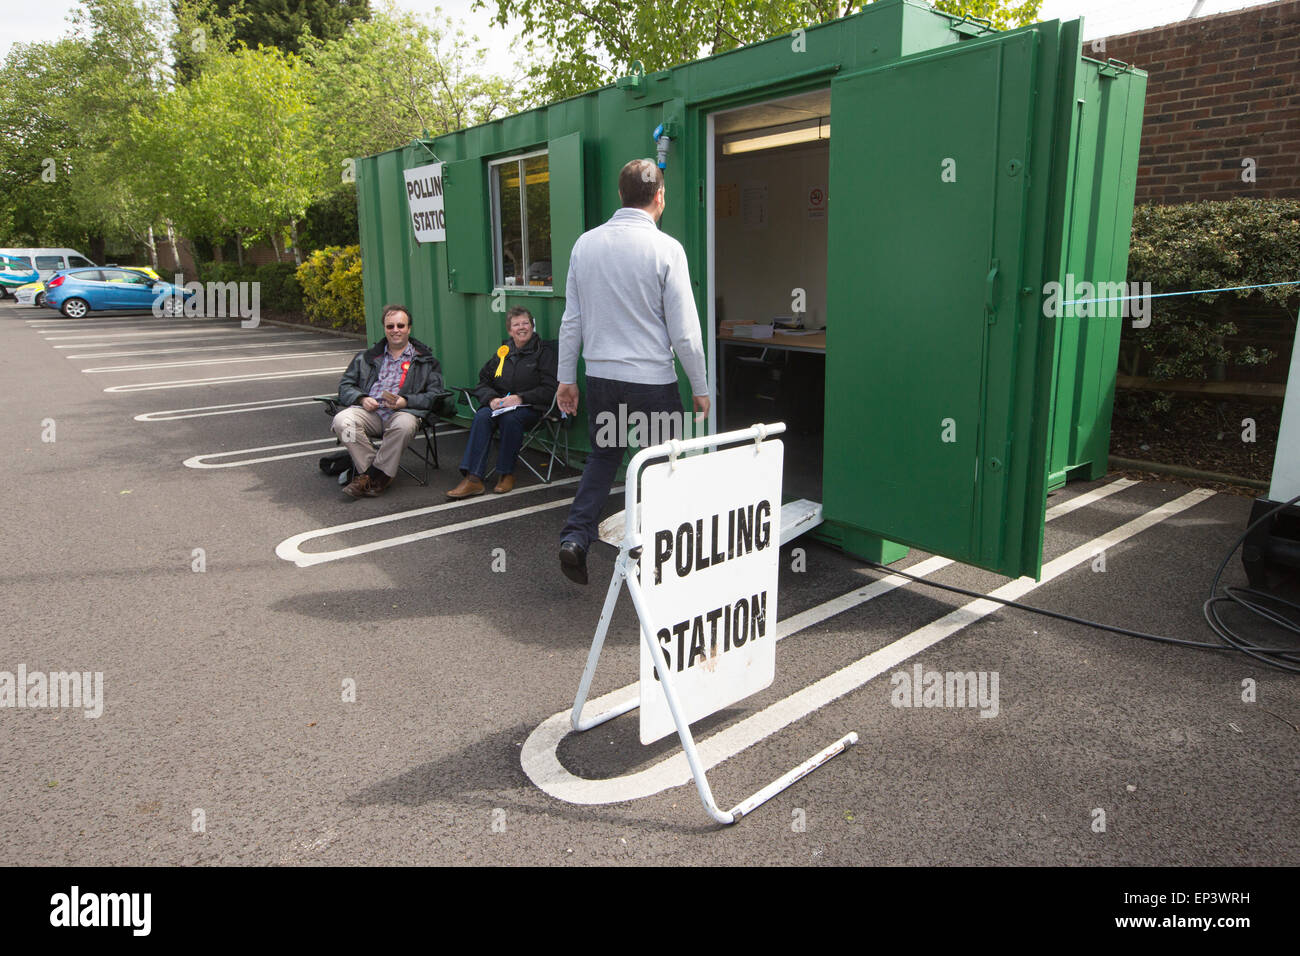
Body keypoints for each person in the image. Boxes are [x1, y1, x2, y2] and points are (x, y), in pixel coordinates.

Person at [556, 158, 710, 584]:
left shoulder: (585, 245)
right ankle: (659, 553)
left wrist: (566, 378)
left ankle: (576, 537)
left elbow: (572, 320)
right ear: (660, 196)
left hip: (602, 379)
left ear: (620, 195)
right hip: (652, 383)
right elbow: (685, 333)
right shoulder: (666, 249)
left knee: (604, 456)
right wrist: (700, 386)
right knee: (663, 463)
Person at [331, 304, 444, 498]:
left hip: (404, 413)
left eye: (401, 325)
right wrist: (362, 398)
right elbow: (345, 386)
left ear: (409, 328)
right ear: (384, 328)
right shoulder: (366, 357)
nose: (395, 330)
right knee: (342, 421)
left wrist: (405, 401)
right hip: (370, 413)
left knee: (403, 425)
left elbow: (435, 395)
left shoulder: (426, 361)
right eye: (390, 326)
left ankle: (368, 477)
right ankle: (376, 474)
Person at [447, 306, 558, 498]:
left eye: (525, 323)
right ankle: (473, 478)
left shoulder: (543, 353)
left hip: (532, 407)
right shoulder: (503, 353)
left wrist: (520, 398)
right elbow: (483, 382)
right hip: (501, 406)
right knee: (482, 415)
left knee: (511, 418)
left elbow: (550, 389)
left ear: (532, 326)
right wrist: (491, 399)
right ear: (509, 330)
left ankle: (507, 473)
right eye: (516, 324)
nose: (521, 327)